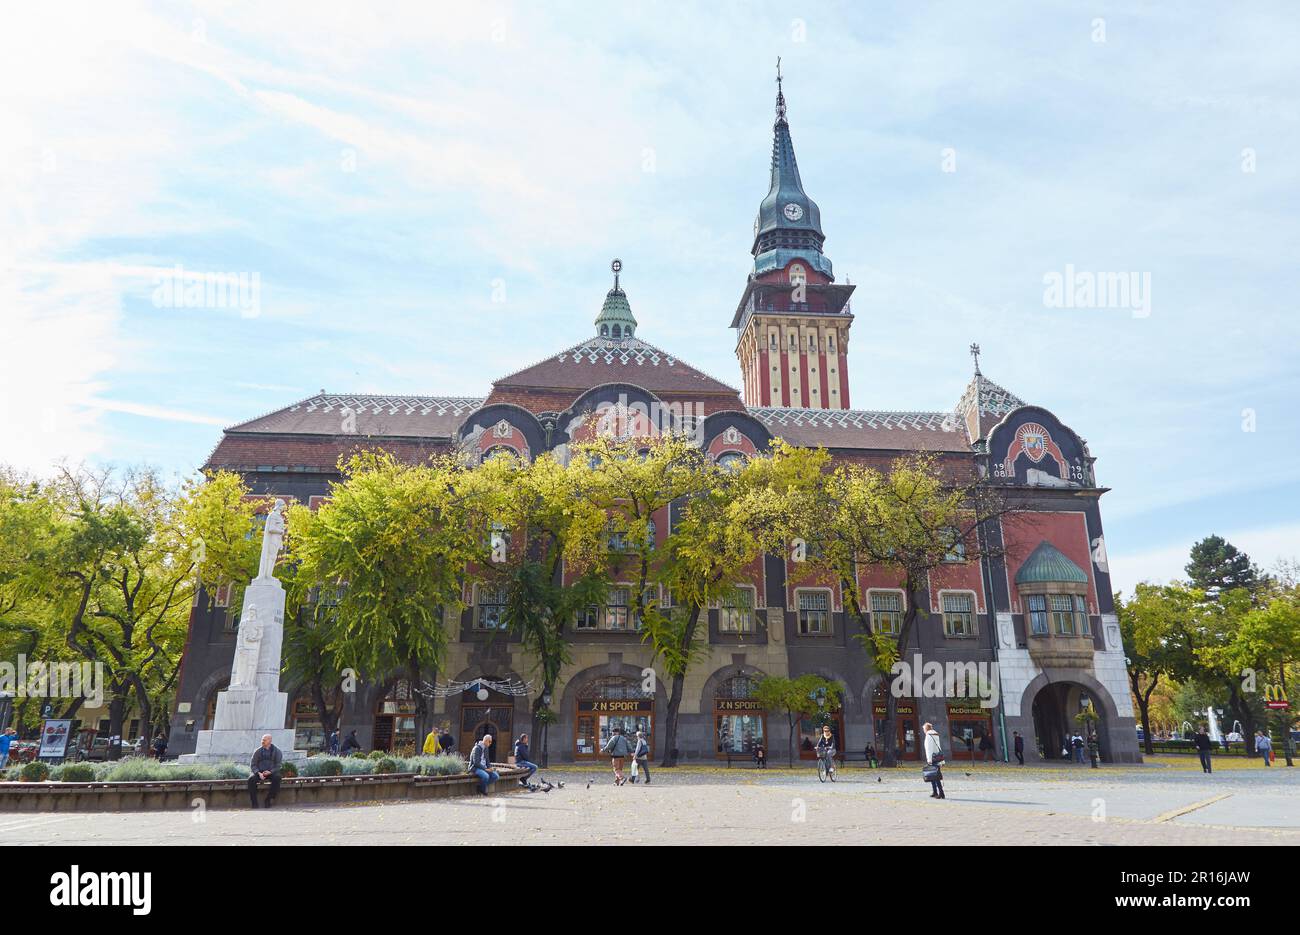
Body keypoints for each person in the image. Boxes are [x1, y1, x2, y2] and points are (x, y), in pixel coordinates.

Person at [247, 734, 283, 808]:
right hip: (259, 772)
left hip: (271, 772)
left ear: (270, 741)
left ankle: (268, 799)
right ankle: (254, 802)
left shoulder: (277, 751)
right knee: (251, 779)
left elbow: (278, 765)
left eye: (264, 740)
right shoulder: (257, 751)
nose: (262, 741)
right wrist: (258, 773)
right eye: (262, 740)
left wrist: (271, 772)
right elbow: (253, 764)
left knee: (277, 778)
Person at [922, 722, 945, 799]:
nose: (923, 731)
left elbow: (929, 748)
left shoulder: (928, 736)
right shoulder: (935, 735)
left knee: (934, 776)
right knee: (934, 775)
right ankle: (935, 792)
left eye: (924, 729)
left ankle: (940, 793)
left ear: (926, 729)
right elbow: (938, 747)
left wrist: (929, 759)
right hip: (937, 757)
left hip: (932, 758)